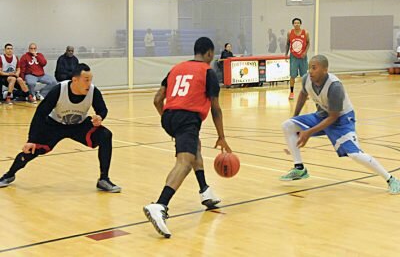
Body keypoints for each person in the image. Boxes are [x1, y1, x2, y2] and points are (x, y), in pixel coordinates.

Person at [143, 37, 232, 238]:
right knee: (185, 161)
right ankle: (160, 205)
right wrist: (221, 137)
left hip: (169, 116)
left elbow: (157, 99)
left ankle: (205, 191)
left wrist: (170, 122)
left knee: (195, 147)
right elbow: (216, 110)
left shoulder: (175, 68)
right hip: (187, 118)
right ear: (209, 53)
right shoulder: (208, 72)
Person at [280, 55, 400, 194]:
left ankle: (391, 179)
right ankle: (299, 168)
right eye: (309, 67)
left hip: (341, 120)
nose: (310, 71)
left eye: (314, 67)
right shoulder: (307, 79)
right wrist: (296, 117)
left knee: (355, 154)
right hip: (322, 115)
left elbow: (333, 117)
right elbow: (302, 94)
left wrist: (309, 132)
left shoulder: (334, 86)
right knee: (288, 125)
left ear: (325, 70)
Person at [0, 63, 121, 193]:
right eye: (86, 80)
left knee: (105, 135)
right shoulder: (59, 90)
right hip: (54, 126)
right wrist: (31, 139)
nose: (89, 83)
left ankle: (104, 179)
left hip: (79, 126)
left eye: (91, 80)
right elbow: (40, 113)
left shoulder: (93, 91)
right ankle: (9, 175)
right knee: (32, 150)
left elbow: (102, 109)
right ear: (75, 80)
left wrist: (100, 117)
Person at [286, 18, 310, 100]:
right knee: (292, 76)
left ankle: (305, 92)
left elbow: (308, 43)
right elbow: (287, 43)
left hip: (302, 57)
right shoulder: (290, 33)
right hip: (294, 57)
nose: (297, 24)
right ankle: (291, 92)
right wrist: (286, 54)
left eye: (298, 23)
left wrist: (305, 52)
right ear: (293, 24)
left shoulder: (305, 33)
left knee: (304, 76)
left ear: (300, 24)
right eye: (295, 23)